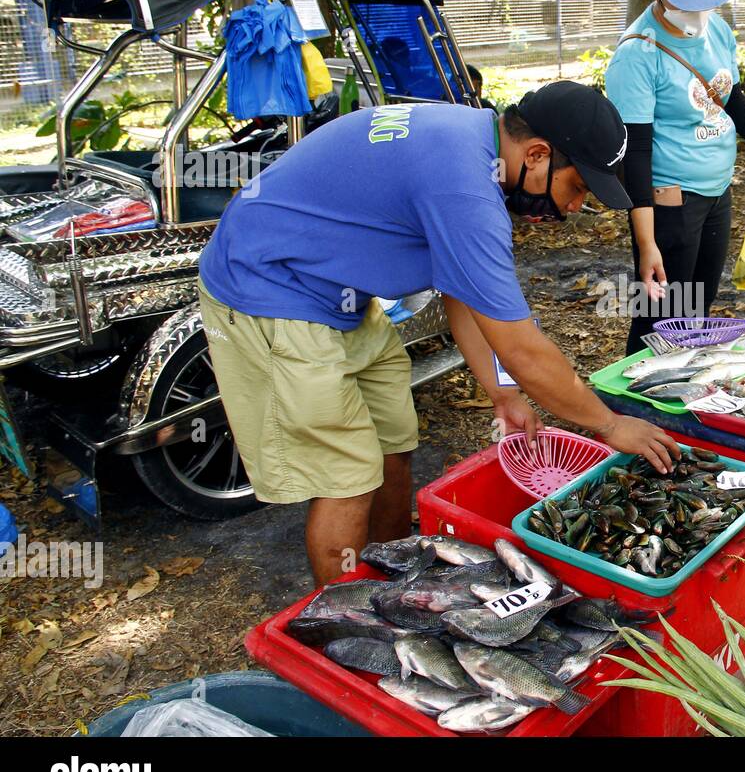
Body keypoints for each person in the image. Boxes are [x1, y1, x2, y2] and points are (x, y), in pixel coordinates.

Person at [197, 82, 679, 586]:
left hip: (338, 292)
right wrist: (608, 424)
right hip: (270, 290)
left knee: (392, 444)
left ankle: (392, 575)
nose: (576, 205)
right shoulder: (465, 188)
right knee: (347, 477)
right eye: (578, 186)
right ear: (537, 155)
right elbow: (524, 350)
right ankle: (346, 623)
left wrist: (501, 392)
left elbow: (462, 290)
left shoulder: (473, 140)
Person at [606, 0, 745, 356]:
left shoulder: (718, 31)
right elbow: (637, 158)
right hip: (669, 202)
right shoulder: (636, 55)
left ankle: (680, 408)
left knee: (696, 310)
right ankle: (635, 412)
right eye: (687, 2)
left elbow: (731, 96)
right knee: (661, 317)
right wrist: (647, 244)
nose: (699, 12)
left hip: (716, 192)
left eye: (704, 0)